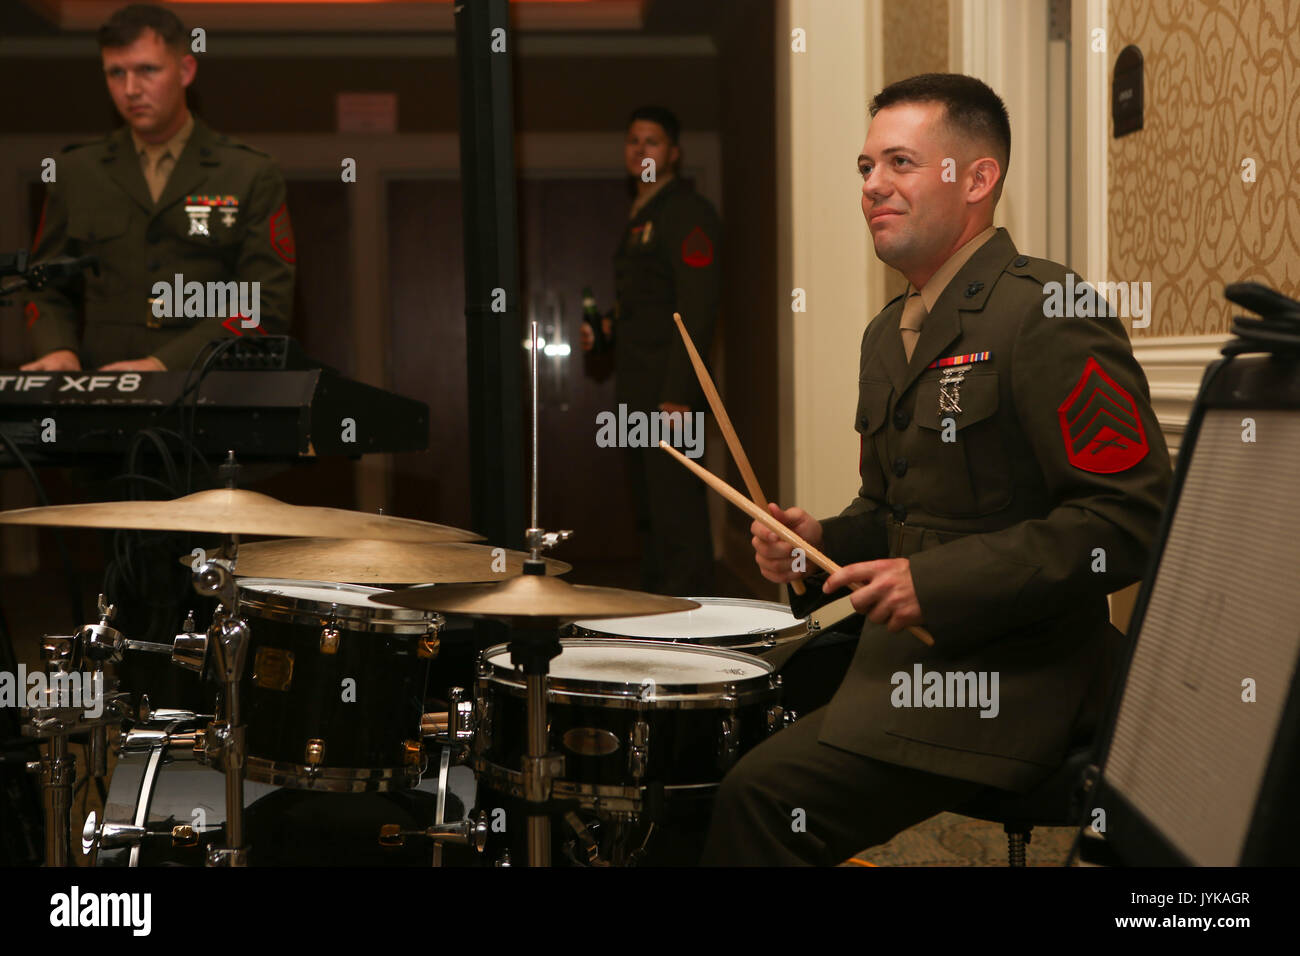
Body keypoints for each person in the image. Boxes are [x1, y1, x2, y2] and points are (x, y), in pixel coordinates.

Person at [702, 73, 1173, 865]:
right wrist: (821, 538)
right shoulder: (888, 335)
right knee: (726, 733)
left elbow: (1130, 520)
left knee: (762, 794)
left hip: (1020, 675)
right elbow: (896, 513)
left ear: (979, 179)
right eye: (864, 168)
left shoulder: (1045, 313)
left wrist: (940, 583)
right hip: (907, 660)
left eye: (899, 163)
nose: (873, 187)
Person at [21, 3, 294, 373]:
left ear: (185, 70)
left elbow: (264, 302)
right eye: (116, 73)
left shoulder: (248, 172)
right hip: (103, 392)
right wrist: (58, 350)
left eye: (147, 70)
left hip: (210, 394)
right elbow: (45, 283)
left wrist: (164, 364)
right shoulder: (75, 171)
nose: (131, 89)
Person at [581, 106, 722, 596]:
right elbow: (645, 304)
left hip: (668, 395)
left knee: (676, 514)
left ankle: (693, 629)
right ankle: (656, 619)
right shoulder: (642, 215)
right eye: (633, 141)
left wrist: (679, 394)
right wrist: (606, 330)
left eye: (653, 142)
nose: (641, 150)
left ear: (675, 154)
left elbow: (697, 307)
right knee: (649, 514)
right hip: (636, 390)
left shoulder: (685, 213)